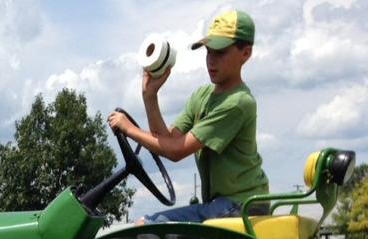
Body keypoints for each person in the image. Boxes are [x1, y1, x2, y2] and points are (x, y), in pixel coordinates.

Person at [107, 10, 269, 224]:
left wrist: (129, 129)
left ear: (245, 54)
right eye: (209, 52)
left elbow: (175, 151)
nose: (211, 61)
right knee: (149, 226)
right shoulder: (202, 96)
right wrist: (150, 96)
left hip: (243, 205)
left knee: (149, 225)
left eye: (220, 53)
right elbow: (166, 138)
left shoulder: (238, 102)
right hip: (222, 204)